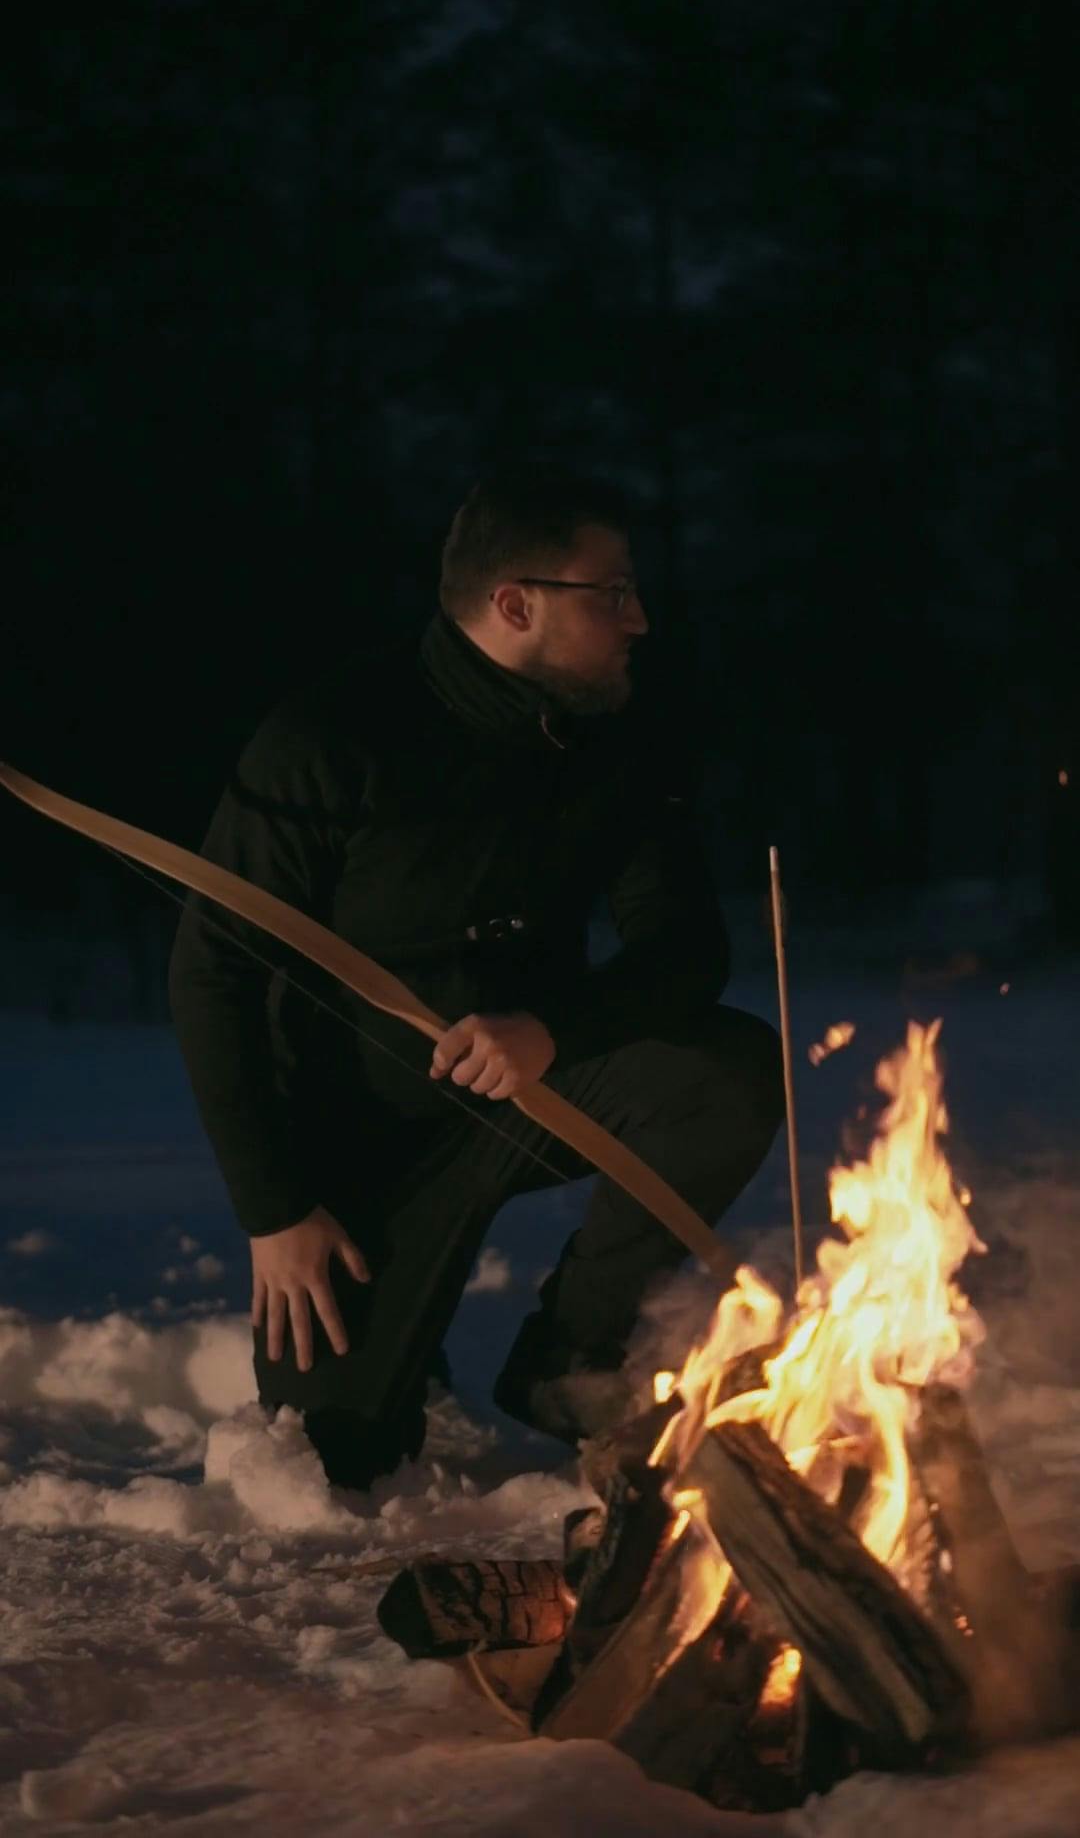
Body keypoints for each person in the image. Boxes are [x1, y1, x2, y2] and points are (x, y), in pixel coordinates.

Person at [168, 461, 784, 1489]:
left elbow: (685, 951)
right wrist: (273, 1209)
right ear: (515, 605)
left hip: (537, 1089)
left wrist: (551, 1028)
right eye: (613, 594)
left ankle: (571, 1356)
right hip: (359, 1145)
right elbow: (211, 974)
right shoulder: (330, 737)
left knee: (725, 1071)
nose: (637, 621)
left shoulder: (614, 744)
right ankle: (401, 1337)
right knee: (337, 1460)